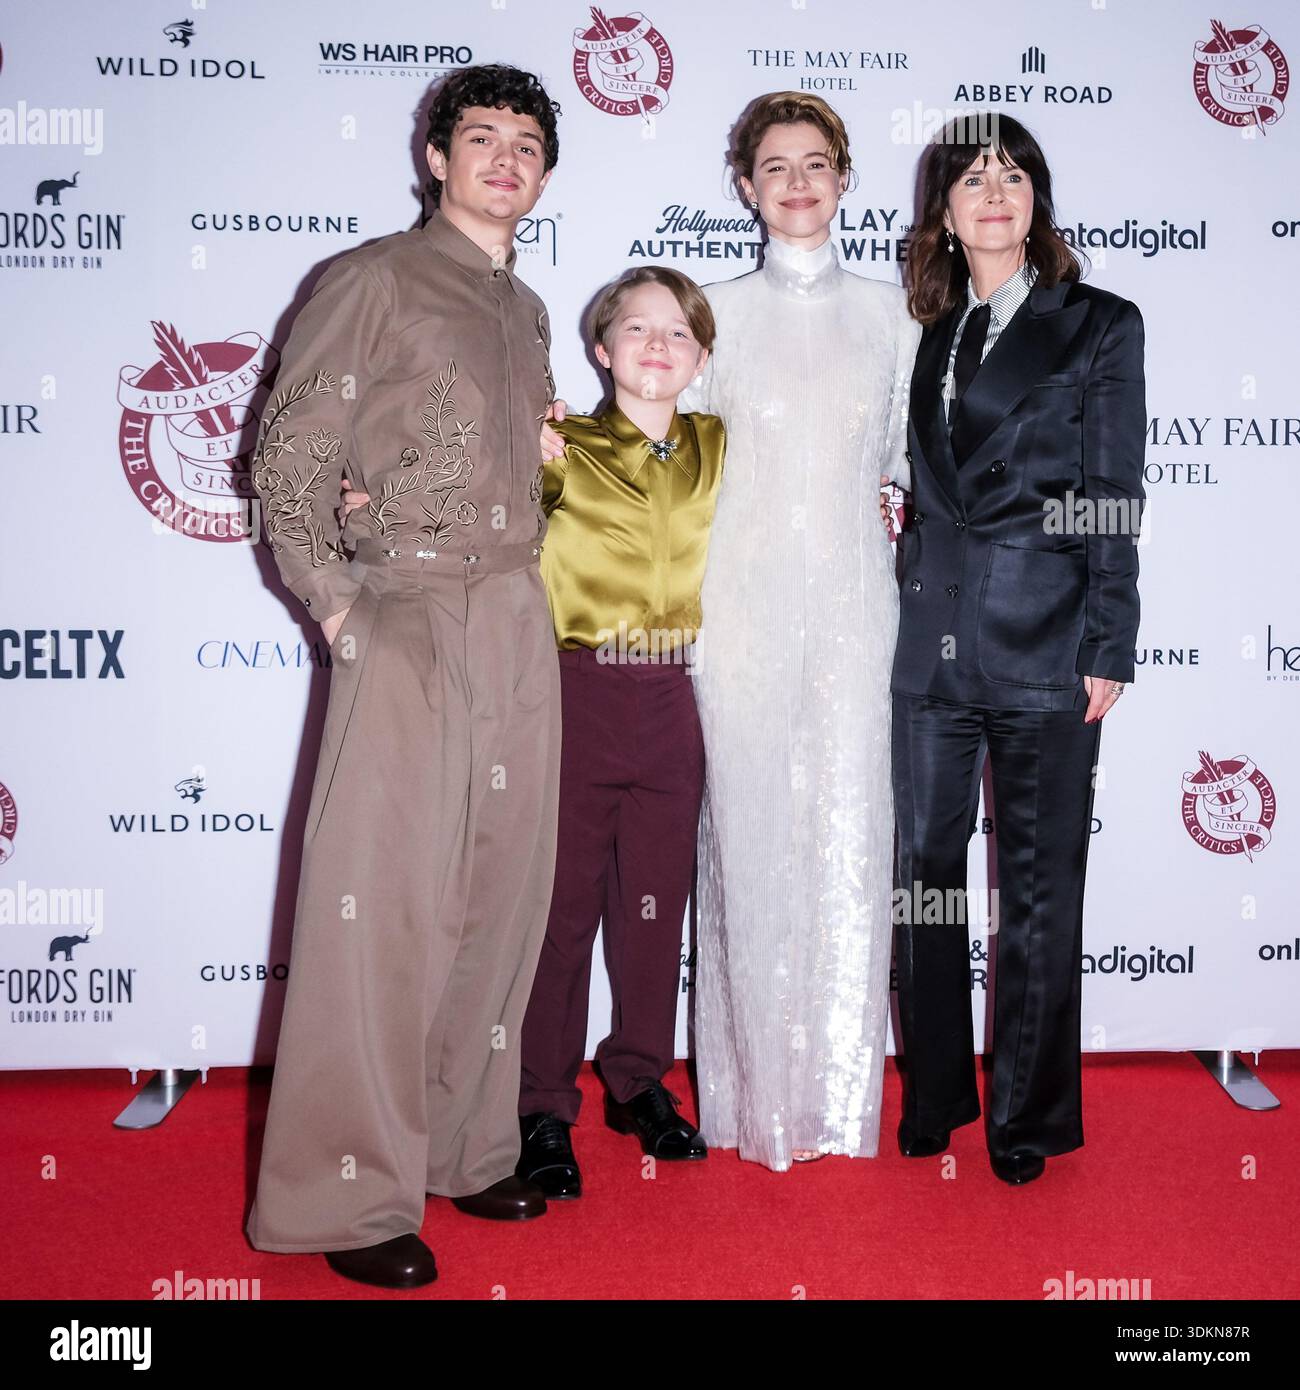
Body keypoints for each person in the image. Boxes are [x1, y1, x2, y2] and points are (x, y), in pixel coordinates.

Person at [245, 64, 564, 1289]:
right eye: (479, 136)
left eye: (525, 142)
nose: (502, 157)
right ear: (435, 157)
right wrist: (337, 606)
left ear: (541, 174)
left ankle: (466, 1144)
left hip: (514, 611)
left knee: (499, 896)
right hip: (407, 607)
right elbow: (290, 458)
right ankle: (347, 1199)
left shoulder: (527, 308)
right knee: (375, 909)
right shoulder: (370, 279)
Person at [891, 113, 1145, 1185]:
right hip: (932, 644)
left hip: (1045, 638)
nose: (993, 192)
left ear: (1035, 198)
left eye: (1012, 174)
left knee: (1038, 889)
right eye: (969, 177)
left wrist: (1109, 634)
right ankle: (939, 1091)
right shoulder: (928, 331)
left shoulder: (1098, 323)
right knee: (927, 879)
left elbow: (1110, 490)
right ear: (942, 211)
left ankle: (1028, 1119)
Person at [676, 93, 921, 1170]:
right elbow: (667, 464)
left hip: (861, 607)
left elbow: (923, 462)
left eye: (815, 163)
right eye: (773, 167)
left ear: (843, 176)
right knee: (747, 836)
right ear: (743, 185)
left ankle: (834, 1100)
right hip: (736, 608)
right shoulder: (711, 314)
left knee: (850, 835)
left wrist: (900, 504)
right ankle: (746, 1102)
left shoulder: (895, 317)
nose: (796, 184)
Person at [514, 268, 725, 1198]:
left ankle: (640, 1080)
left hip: (673, 701)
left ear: (702, 358)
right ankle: (537, 1107)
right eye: (634, 328)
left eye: (677, 333)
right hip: (573, 695)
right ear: (600, 349)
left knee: (652, 912)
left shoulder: (722, 446)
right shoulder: (559, 446)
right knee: (558, 918)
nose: (655, 344)